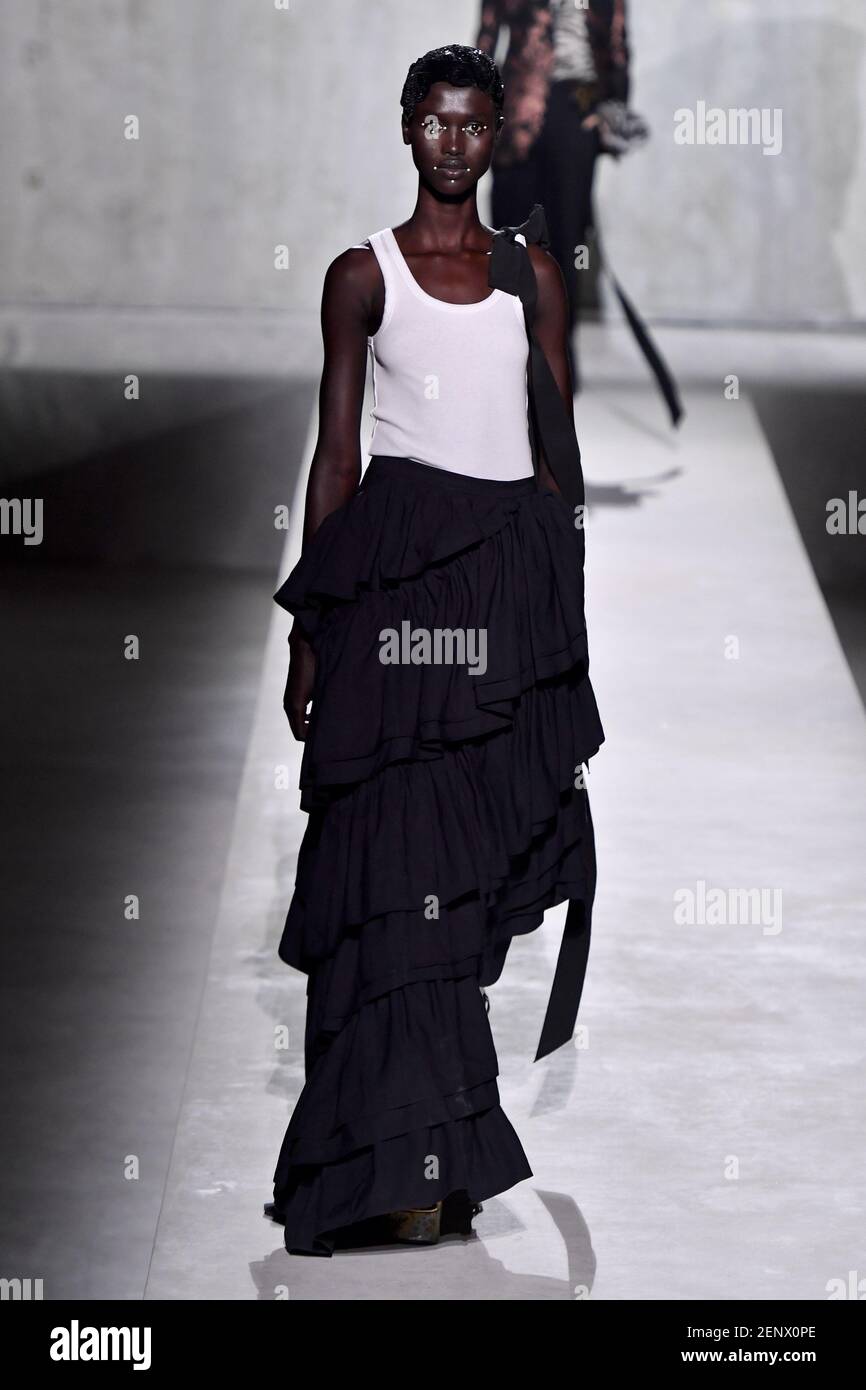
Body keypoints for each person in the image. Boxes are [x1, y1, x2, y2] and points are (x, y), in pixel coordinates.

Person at [264, 42, 604, 1258]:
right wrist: (313, 632)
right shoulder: (361, 277)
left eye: (472, 125)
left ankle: (439, 1155)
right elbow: (337, 458)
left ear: (488, 137)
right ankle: (392, 1165)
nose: (455, 143)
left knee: (458, 893)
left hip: (501, 594)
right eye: (435, 123)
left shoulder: (529, 277)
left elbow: (556, 454)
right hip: (400, 593)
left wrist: (562, 633)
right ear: (407, 130)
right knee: (388, 870)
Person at [475, 0, 631, 392]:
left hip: (577, 109)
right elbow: (487, 37)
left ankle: (558, 352)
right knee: (509, 236)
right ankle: (506, 351)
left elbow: (616, 46)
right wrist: (478, 110)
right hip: (518, 108)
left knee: (567, 235)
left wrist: (608, 114)